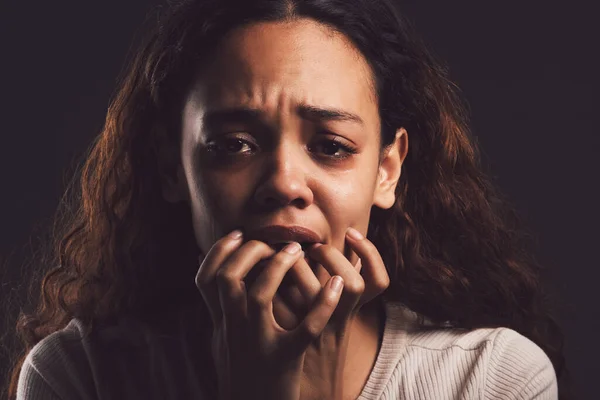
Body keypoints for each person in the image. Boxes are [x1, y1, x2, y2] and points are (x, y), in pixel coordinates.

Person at [7, 0, 570, 399]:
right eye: (233, 145)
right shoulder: (81, 377)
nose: (284, 181)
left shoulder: (495, 380)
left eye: (331, 146)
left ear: (387, 169)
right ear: (170, 166)